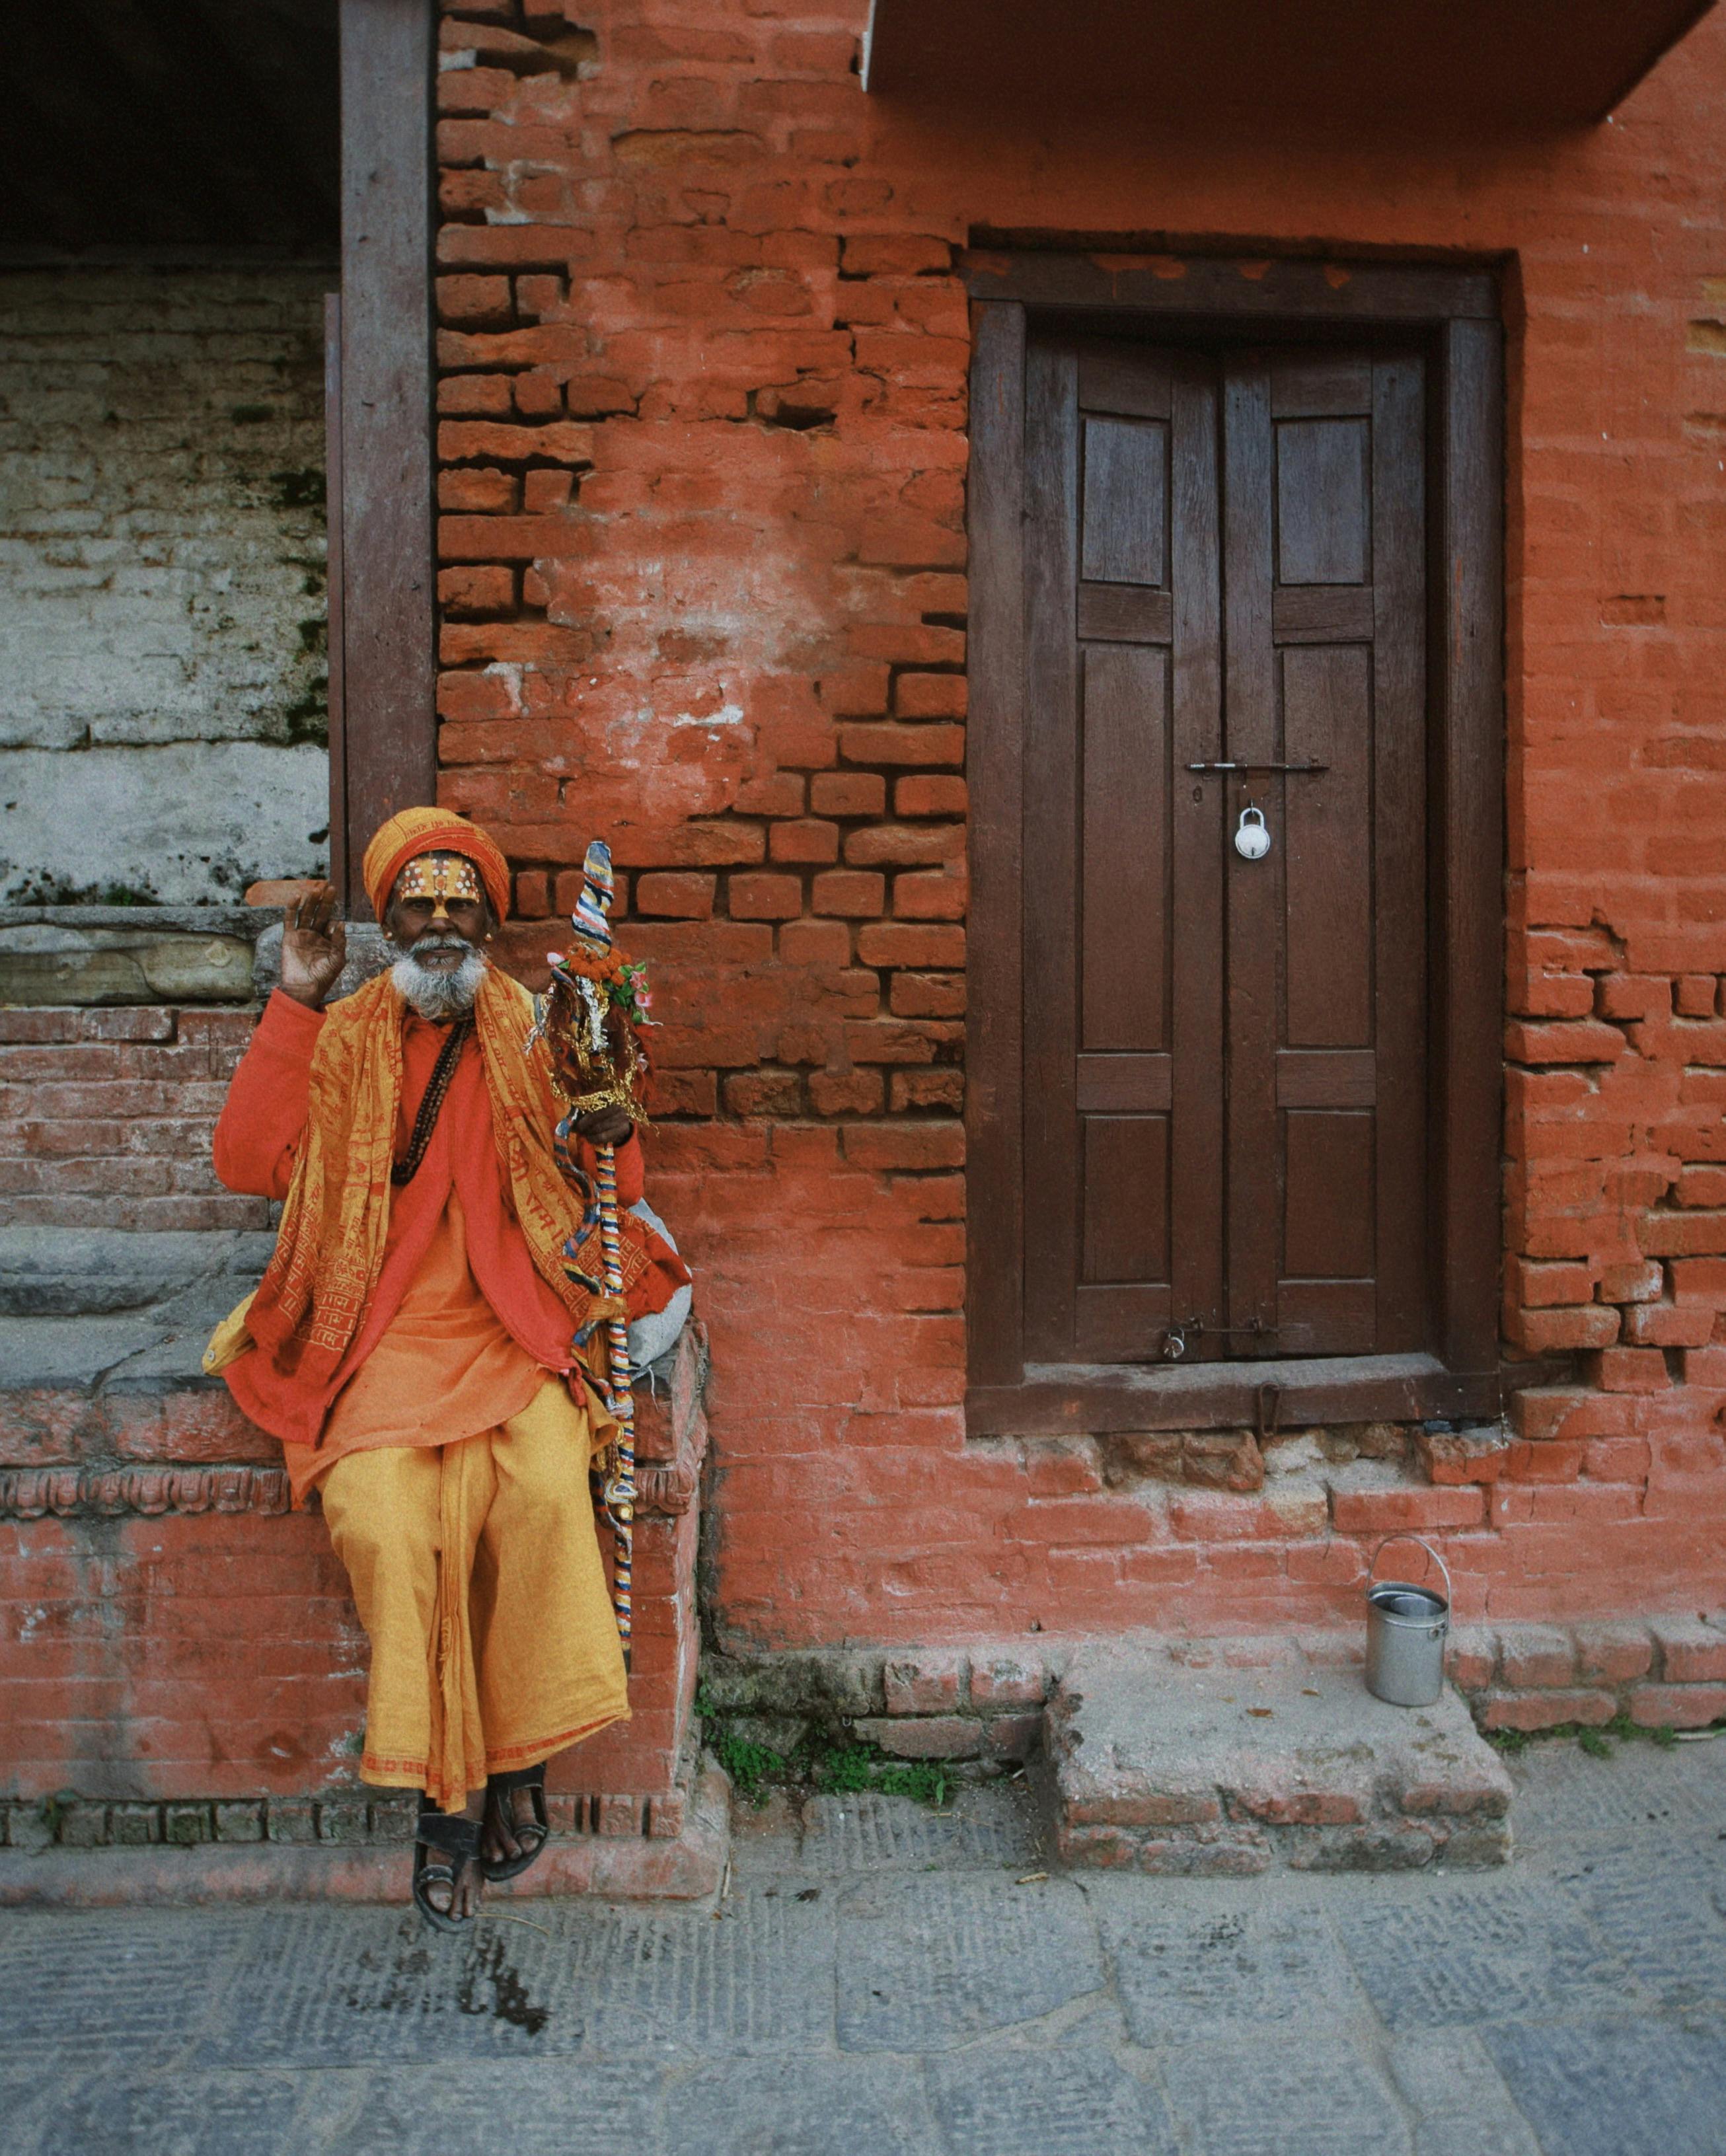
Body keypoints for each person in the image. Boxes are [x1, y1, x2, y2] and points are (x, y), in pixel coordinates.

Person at [208, 806, 687, 1929]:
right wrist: (296, 998)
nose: (437, 924)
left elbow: (614, 1189)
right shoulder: (346, 1032)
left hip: (514, 1323)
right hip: (372, 1333)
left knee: (542, 1499)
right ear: (385, 925)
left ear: (488, 923)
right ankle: (447, 1784)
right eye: (416, 907)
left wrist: (613, 1124)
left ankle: (504, 1769)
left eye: (457, 906)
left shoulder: (537, 1027)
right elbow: (247, 1161)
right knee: (384, 1523)